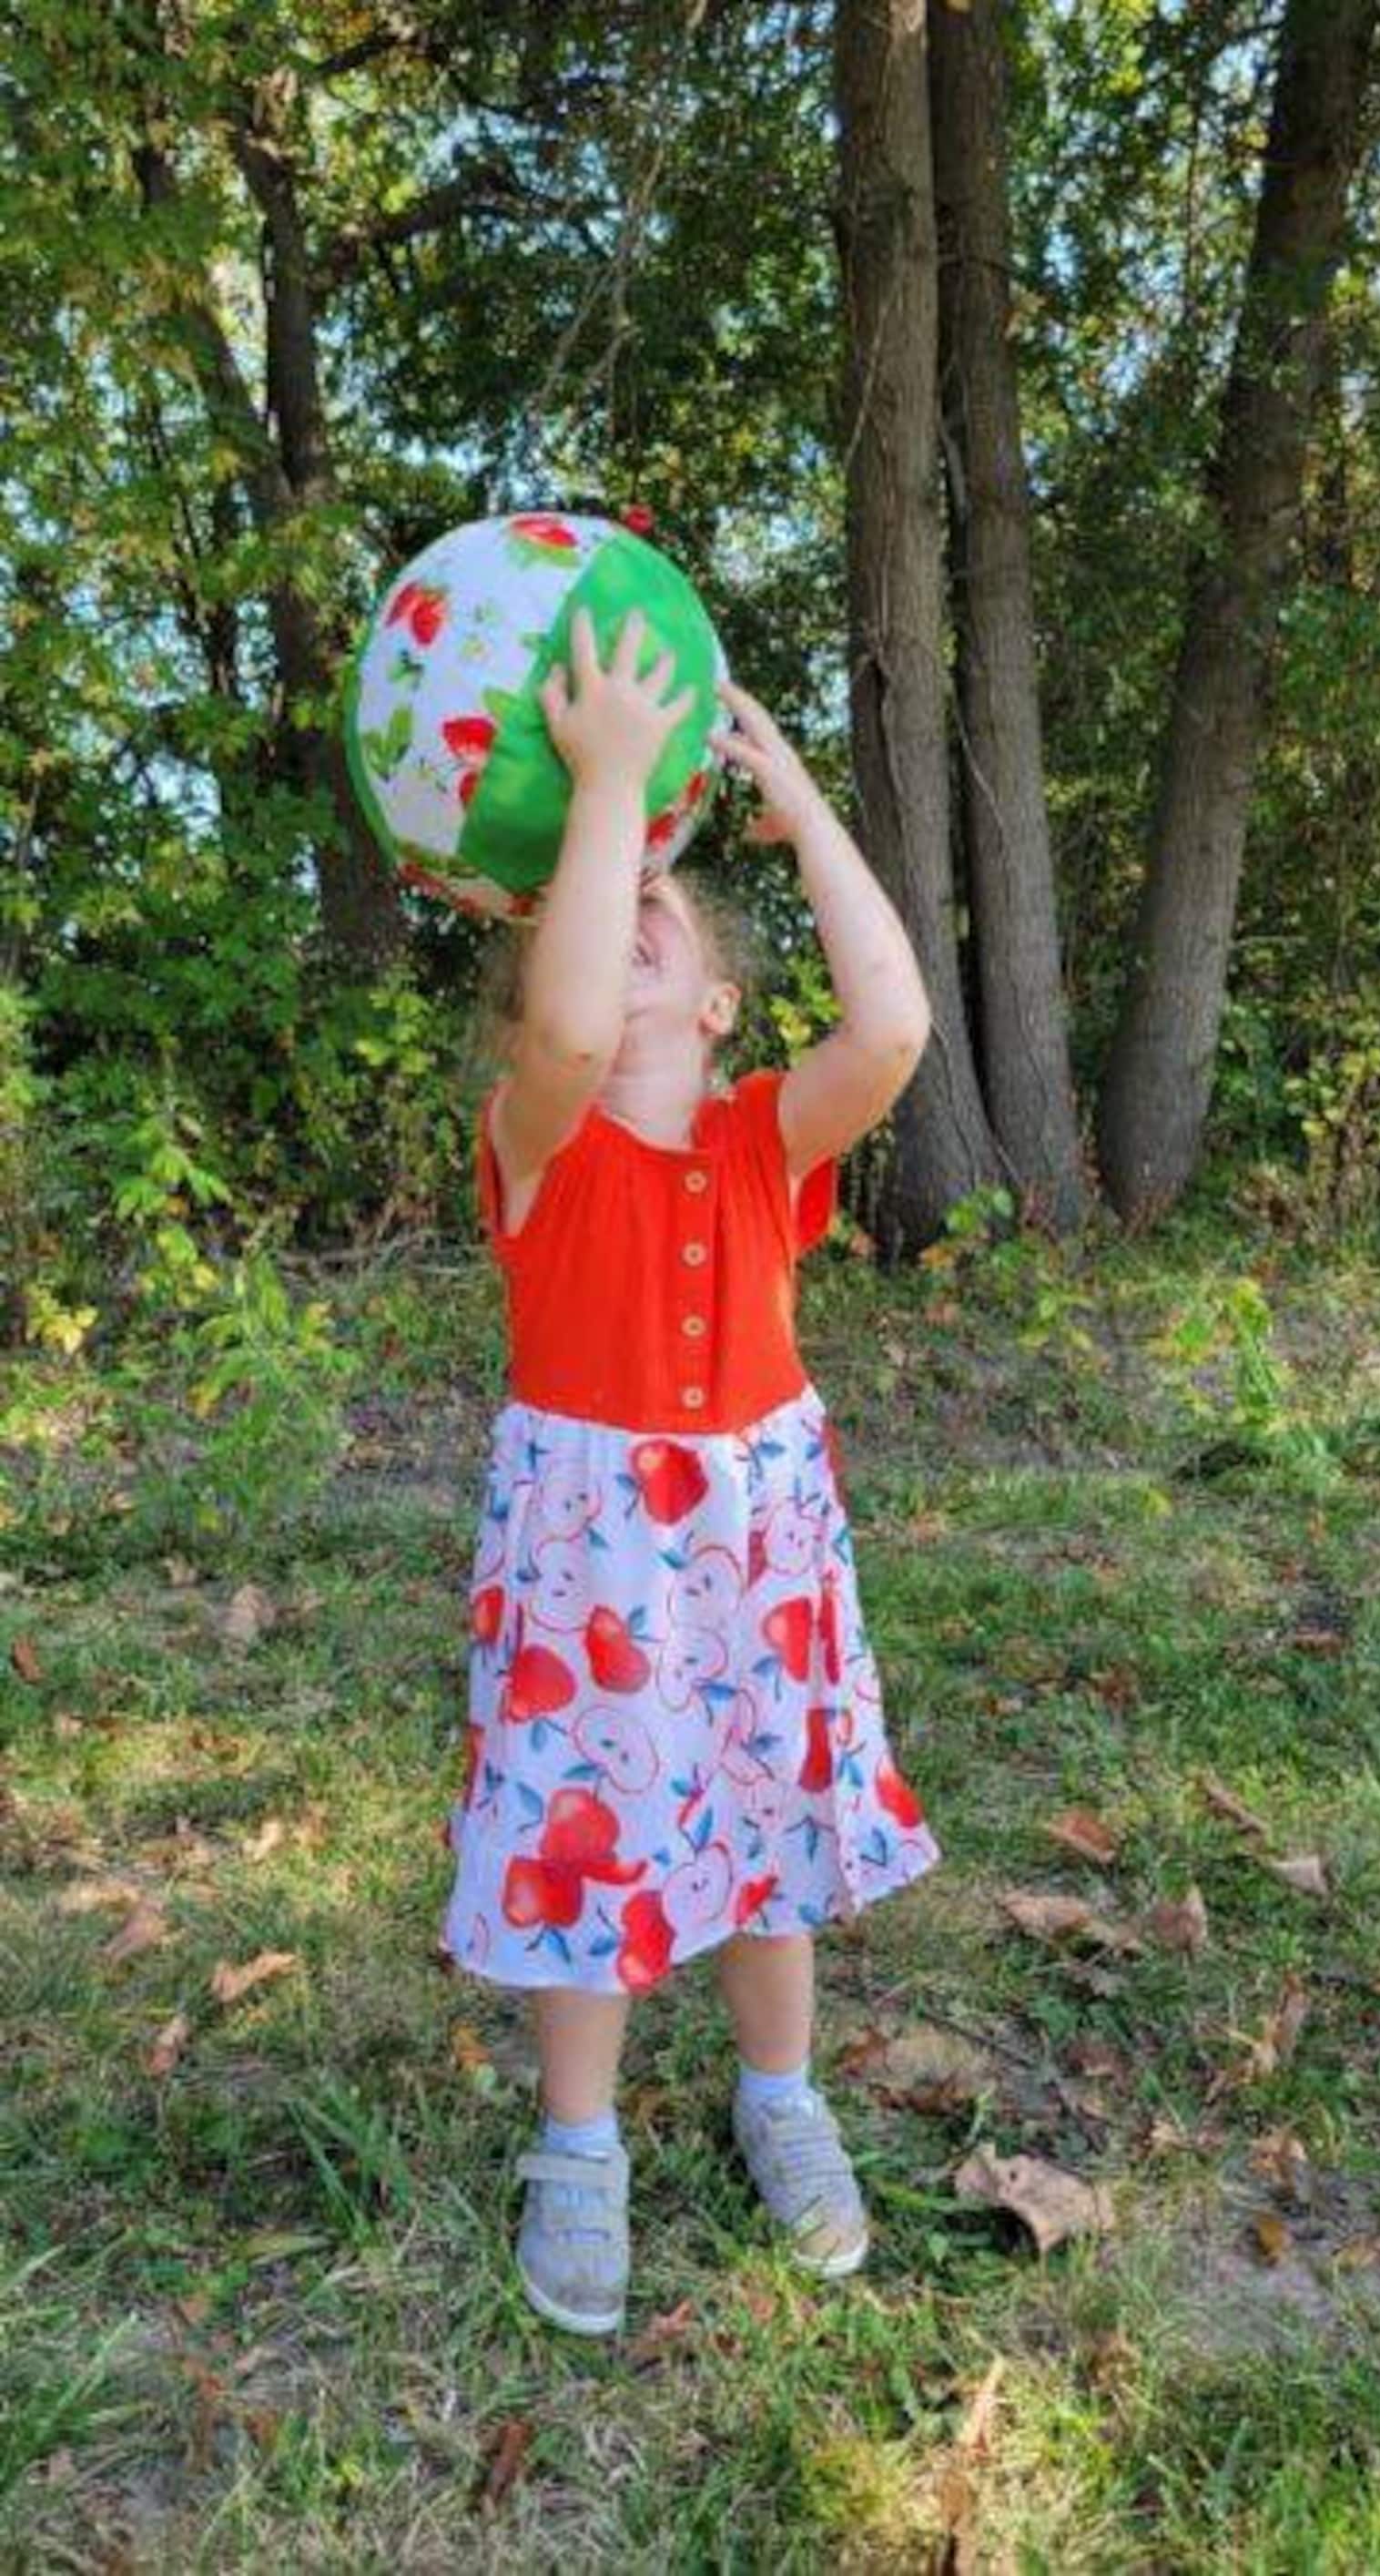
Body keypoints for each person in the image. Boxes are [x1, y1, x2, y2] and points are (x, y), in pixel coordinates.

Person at [441, 603, 941, 2335]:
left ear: (723, 1005)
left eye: (660, 901)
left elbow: (890, 1029)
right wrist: (602, 786)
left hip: (756, 1528)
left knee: (768, 1821)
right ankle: (578, 2142)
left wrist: (799, 814)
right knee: (592, 1824)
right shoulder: (541, 1139)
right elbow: (570, 1028)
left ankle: (778, 2089)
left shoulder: (757, 1143)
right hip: (596, 1553)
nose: (628, 903)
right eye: (605, 907)